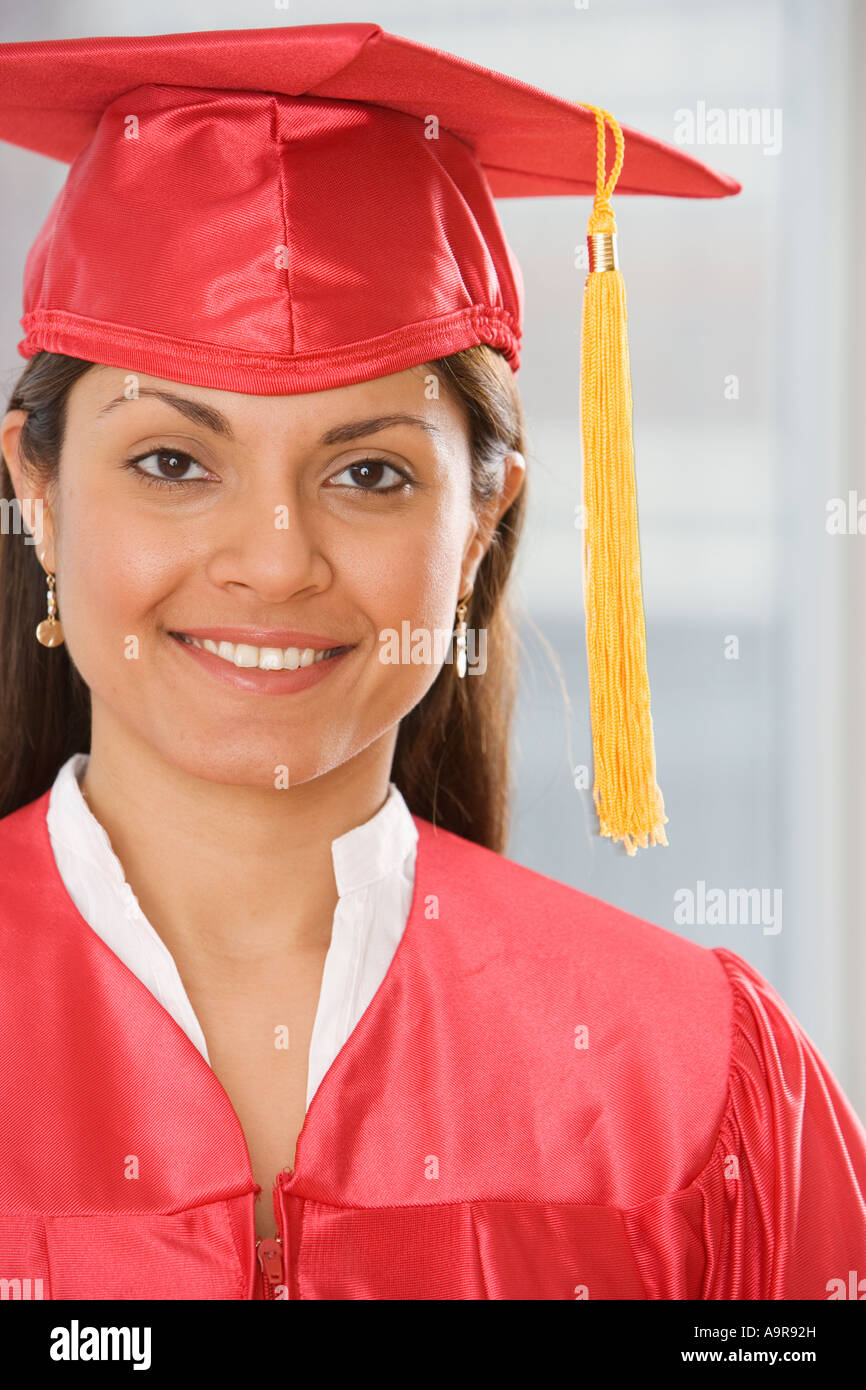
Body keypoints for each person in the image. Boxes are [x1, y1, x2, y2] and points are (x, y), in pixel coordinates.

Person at [0, 21, 863, 1302]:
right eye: (173, 462)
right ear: (42, 494)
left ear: (481, 524)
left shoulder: (687, 1081)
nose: (274, 560)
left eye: (368, 473)